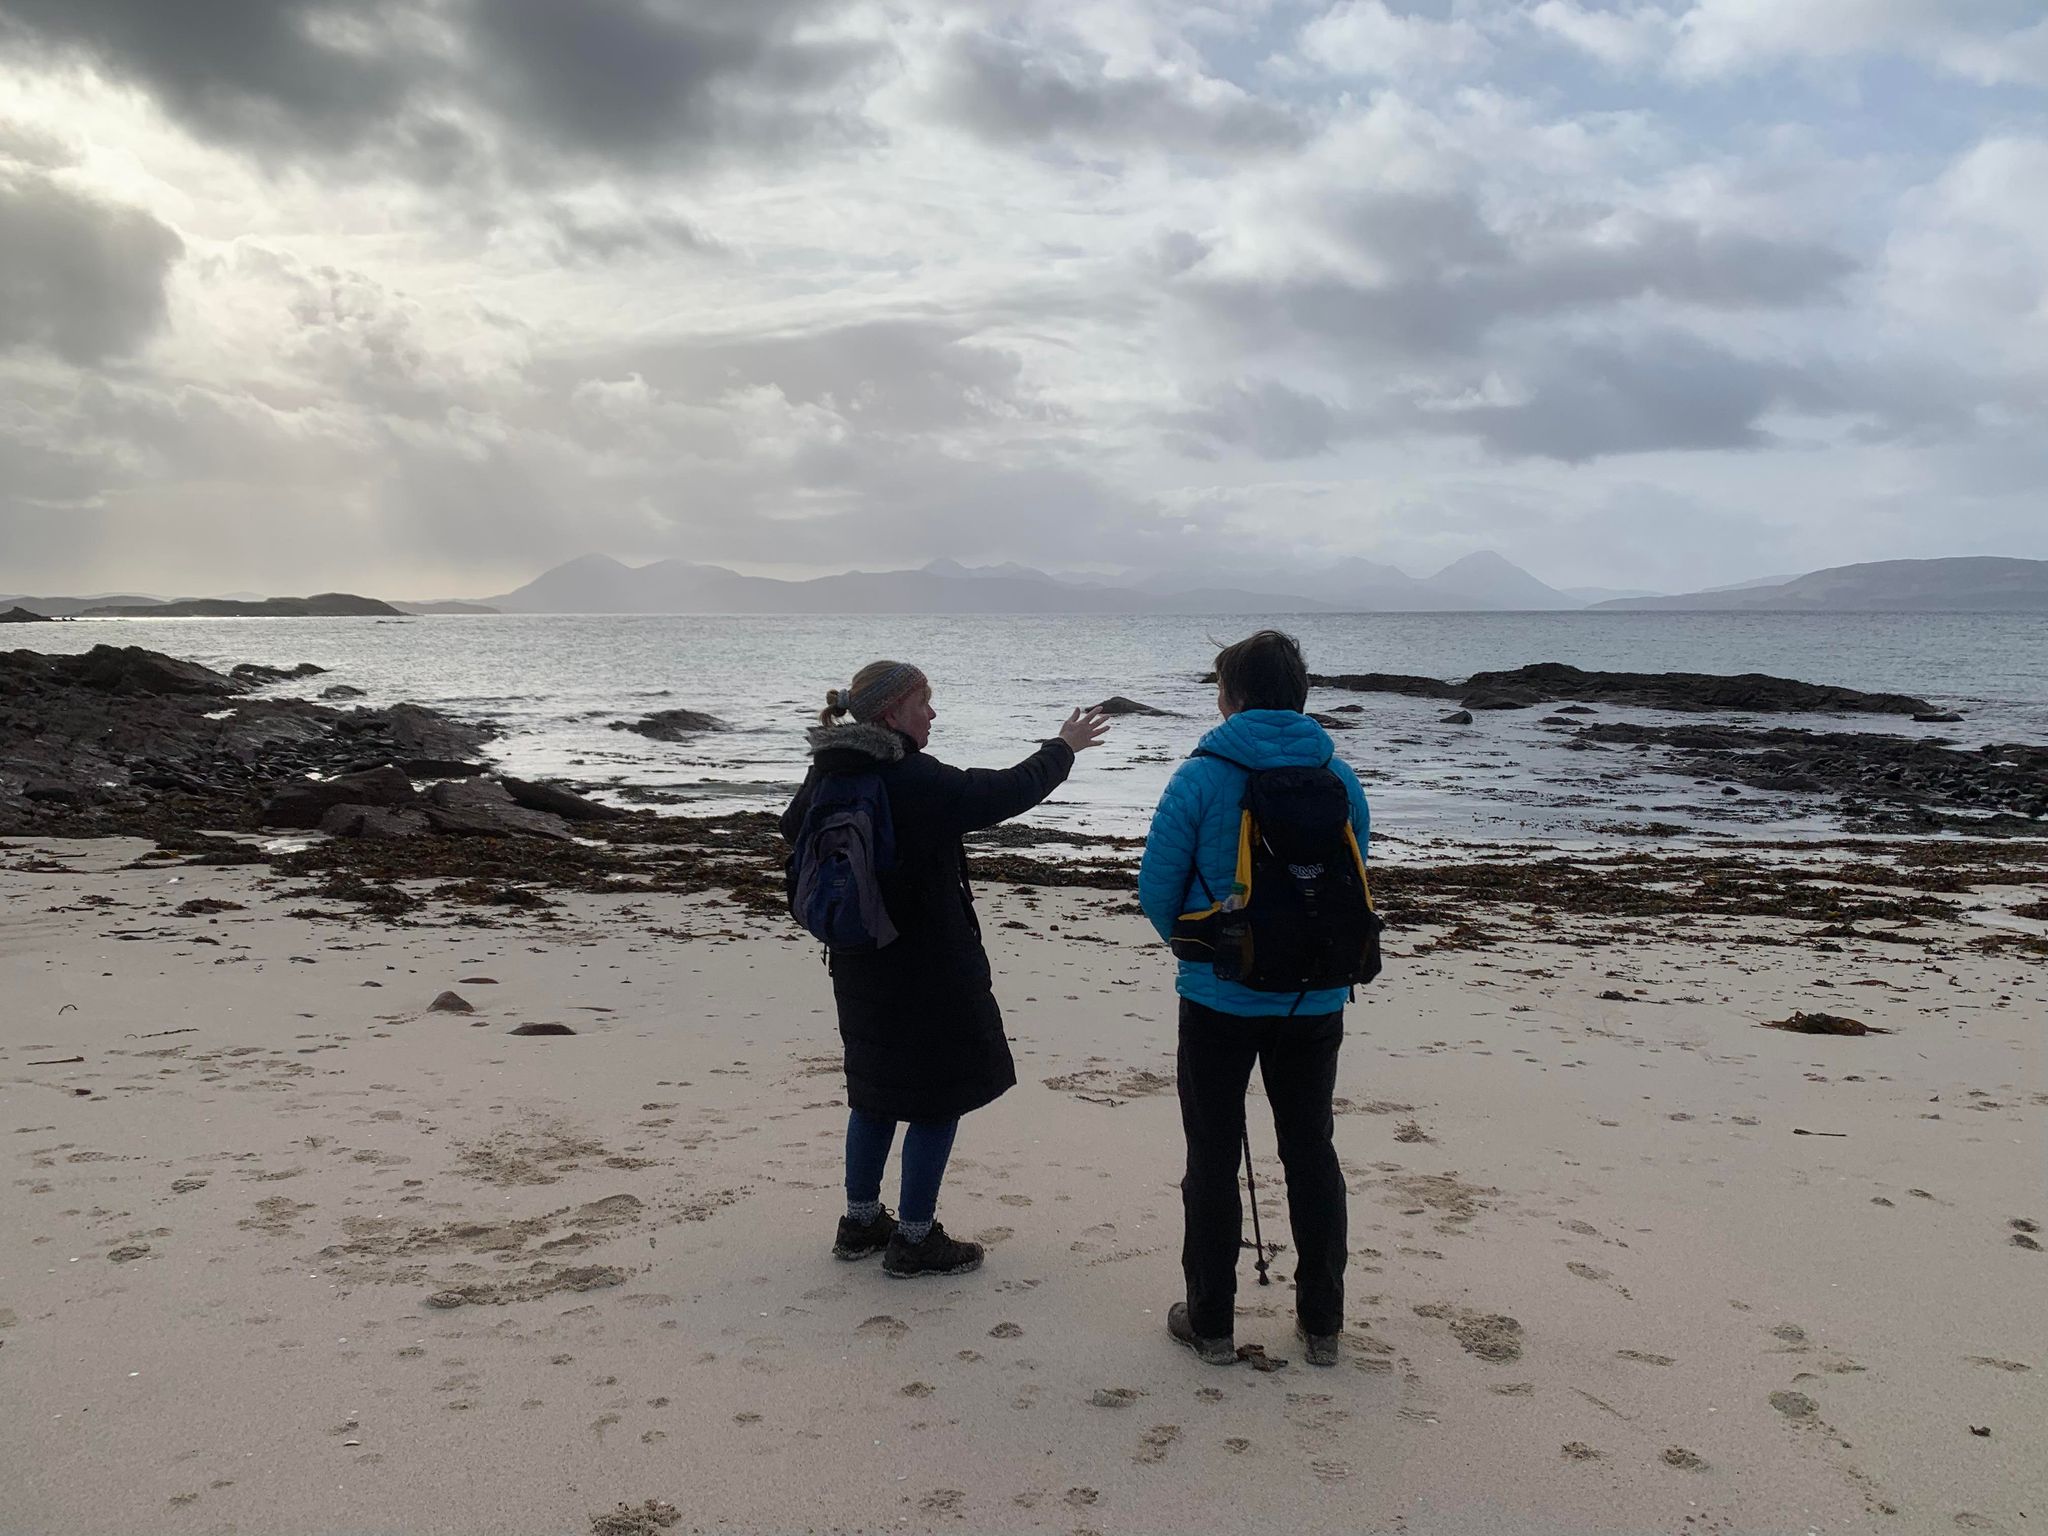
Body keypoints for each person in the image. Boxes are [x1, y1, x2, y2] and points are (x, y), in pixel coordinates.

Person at [780, 660, 1111, 1278]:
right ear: (890, 714)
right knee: (937, 1098)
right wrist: (1062, 749)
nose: (932, 713)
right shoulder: (910, 776)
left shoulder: (832, 767)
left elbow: (790, 827)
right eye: (923, 702)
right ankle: (913, 1238)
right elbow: (1001, 793)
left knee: (874, 1093)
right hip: (928, 963)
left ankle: (858, 1224)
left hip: (855, 958)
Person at [1137, 630, 1371, 1367]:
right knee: (1311, 1151)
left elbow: (1155, 892)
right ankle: (1323, 1325)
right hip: (1316, 996)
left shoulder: (1202, 774)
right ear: (1301, 694)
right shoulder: (1338, 772)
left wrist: (1203, 946)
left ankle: (1210, 1323)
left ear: (1229, 695)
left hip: (1220, 998)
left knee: (1211, 1156)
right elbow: (1354, 874)